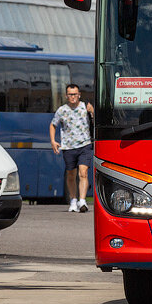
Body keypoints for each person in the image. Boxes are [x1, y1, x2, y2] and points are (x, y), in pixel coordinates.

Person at [50, 84, 94, 213]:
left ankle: (82, 201)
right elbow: (53, 125)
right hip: (68, 147)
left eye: (75, 94)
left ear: (79, 95)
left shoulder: (85, 107)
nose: (73, 97)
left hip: (85, 145)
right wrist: (53, 141)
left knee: (83, 172)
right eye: (70, 94)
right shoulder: (62, 110)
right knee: (71, 174)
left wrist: (92, 112)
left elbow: (95, 122)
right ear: (66, 96)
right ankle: (73, 200)